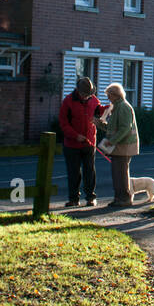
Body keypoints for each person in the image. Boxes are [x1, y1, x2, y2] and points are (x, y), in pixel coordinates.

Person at [58, 76, 104, 208]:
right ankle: (73, 199)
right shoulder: (68, 101)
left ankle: (91, 197)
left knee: (90, 171)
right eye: (85, 94)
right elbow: (63, 123)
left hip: (89, 143)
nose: (87, 97)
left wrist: (111, 106)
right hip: (72, 144)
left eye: (89, 94)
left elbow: (99, 111)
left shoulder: (93, 100)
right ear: (78, 91)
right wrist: (75, 135)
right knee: (73, 172)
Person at [96, 82, 139, 208]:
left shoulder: (123, 107)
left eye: (109, 95)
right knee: (117, 173)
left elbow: (125, 128)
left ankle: (124, 198)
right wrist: (99, 124)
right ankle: (119, 198)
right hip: (119, 146)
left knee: (121, 173)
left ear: (115, 95)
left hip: (124, 146)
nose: (108, 98)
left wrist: (112, 141)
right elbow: (112, 127)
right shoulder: (116, 107)